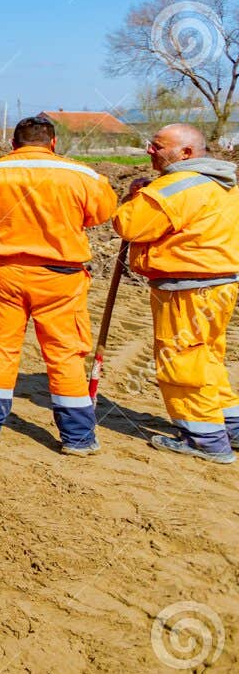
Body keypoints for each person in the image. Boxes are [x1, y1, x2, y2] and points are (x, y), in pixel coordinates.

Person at [0, 115, 118, 455]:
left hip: (1, 274)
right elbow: (103, 214)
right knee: (65, 354)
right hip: (61, 277)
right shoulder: (82, 176)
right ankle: (77, 438)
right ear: (53, 143)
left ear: (13, 144)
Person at [112, 123, 239, 465]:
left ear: (186, 153)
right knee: (207, 357)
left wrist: (133, 198)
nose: (150, 151)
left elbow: (130, 225)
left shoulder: (175, 186)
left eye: (157, 146)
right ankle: (230, 423)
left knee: (181, 360)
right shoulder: (222, 182)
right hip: (221, 284)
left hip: (187, 288)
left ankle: (204, 439)